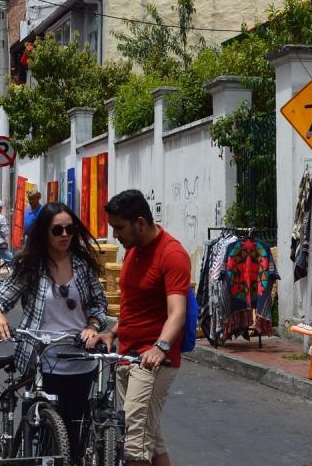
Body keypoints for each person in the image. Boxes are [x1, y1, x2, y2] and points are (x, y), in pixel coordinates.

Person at [0, 202, 107, 462]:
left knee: (71, 438)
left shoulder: (82, 265)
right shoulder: (31, 266)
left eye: (69, 229)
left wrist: (93, 326)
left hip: (80, 362)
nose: (64, 235)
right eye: (57, 230)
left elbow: (99, 304)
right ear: (44, 233)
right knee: (38, 429)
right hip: (42, 361)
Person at [96, 189, 190, 466]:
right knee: (152, 438)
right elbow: (133, 306)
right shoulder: (133, 252)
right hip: (127, 357)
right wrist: (111, 332)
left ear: (139, 223)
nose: (116, 236)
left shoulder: (171, 254)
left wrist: (160, 347)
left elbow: (177, 312)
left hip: (152, 364)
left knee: (133, 445)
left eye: (119, 228)